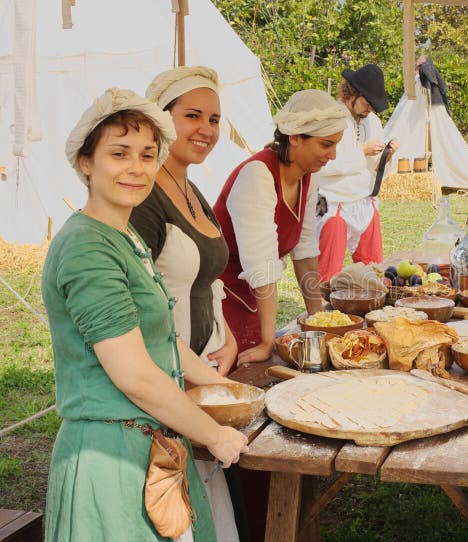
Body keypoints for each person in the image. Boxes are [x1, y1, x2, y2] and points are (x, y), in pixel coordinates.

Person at [42, 87, 249, 541]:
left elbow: (164, 344)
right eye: (119, 154)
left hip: (150, 445)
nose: (136, 168)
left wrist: (233, 393)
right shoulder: (86, 248)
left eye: (148, 155)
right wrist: (213, 436)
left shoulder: (124, 236)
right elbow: (134, 374)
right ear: (85, 162)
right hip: (111, 458)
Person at [130, 65, 244, 542]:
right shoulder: (141, 197)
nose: (206, 130)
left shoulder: (190, 186)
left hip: (204, 373)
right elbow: (138, 309)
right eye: (192, 115)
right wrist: (193, 365)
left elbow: (208, 281)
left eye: (215, 119)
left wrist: (230, 340)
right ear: (161, 117)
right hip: (164, 378)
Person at [214, 89, 347, 364]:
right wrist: (266, 341)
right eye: (326, 144)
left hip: (256, 303)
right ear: (295, 137)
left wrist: (317, 319)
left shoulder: (307, 177)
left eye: (336, 144)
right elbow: (262, 266)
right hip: (220, 304)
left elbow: (306, 251)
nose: (333, 155)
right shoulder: (257, 175)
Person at [313, 64, 399, 281]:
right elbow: (323, 165)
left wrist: (385, 159)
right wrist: (362, 152)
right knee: (328, 274)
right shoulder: (330, 118)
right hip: (335, 204)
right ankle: (323, 312)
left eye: (373, 105)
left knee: (373, 272)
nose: (370, 108)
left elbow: (374, 169)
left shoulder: (373, 121)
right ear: (351, 93)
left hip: (365, 203)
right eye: (367, 102)